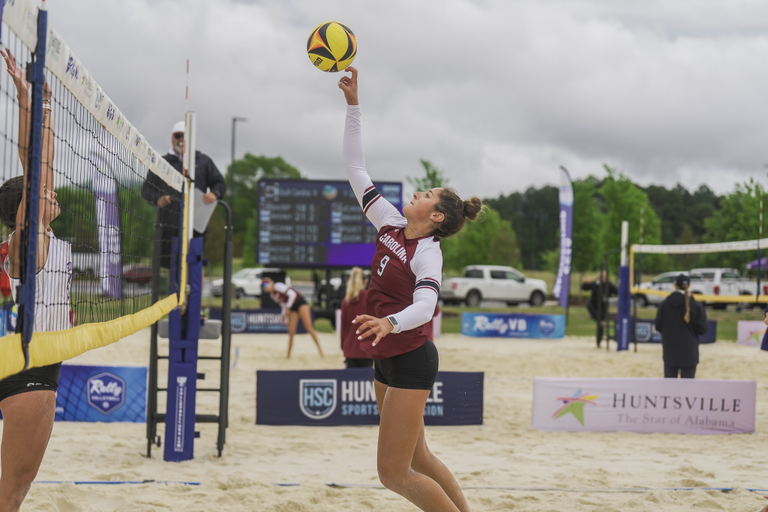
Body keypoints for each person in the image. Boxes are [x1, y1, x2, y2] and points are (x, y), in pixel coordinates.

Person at [339, 66, 477, 512]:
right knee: (419, 459)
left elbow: (427, 305)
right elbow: (355, 167)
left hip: (412, 358)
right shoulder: (390, 221)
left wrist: (389, 322)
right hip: (387, 357)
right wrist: (354, 106)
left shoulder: (427, 253)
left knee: (393, 474)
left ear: (436, 216)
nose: (418, 193)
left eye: (427, 194)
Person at [0, 49, 71, 511]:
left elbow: (40, 165)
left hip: (28, 359)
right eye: (44, 192)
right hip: (30, 371)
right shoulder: (32, 239)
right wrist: (36, 105)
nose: (53, 190)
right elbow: (37, 166)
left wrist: (34, 102)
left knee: (12, 490)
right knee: (11, 493)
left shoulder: (38, 238)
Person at [141, 121, 226, 268]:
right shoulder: (161, 163)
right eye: (177, 136)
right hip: (169, 224)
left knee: (195, 266)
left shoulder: (203, 161)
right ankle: (173, 284)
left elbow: (220, 183)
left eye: (184, 136)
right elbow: (146, 190)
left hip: (196, 225)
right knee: (172, 266)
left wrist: (214, 193)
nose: (181, 139)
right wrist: (158, 199)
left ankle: (195, 284)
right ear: (172, 138)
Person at [655, 274, 708, 378]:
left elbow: (658, 326)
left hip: (670, 352)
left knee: (670, 386)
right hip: (689, 352)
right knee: (687, 387)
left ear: (675, 285)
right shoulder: (696, 305)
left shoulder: (665, 304)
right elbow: (703, 329)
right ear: (689, 285)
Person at [262, 278, 324, 358]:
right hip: (292, 307)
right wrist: (283, 315)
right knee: (291, 331)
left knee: (308, 327)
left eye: (266, 284)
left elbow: (292, 294)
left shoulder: (277, 286)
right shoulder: (273, 295)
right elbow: (283, 305)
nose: (265, 287)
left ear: (271, 283)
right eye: (263, 286)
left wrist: (288, 307)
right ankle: (288, 355)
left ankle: (320, 351)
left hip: (300, 302)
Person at [340, 267, 373, 368]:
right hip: (366, 349)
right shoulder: (369, 298)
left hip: (349, 348)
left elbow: (343, 327)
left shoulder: (346, 301)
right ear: (366, 281)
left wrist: (343, 346)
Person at [581, 270, 618, 348]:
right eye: (601, 276)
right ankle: (599, 320)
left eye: (604, 276)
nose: (603, 277)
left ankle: (598, 342)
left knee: (600, 325)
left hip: (603, 307)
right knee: (589, 306)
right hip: (594, 305)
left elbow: (617, 291)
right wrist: (586, 282)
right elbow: (584, 288)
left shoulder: (609, 284)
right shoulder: (595, 283)